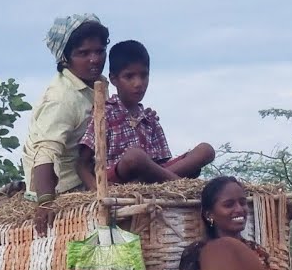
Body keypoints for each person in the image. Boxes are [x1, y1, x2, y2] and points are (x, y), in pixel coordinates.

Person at [76, 40, 215, 186]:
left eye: (144, 76)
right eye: (129, 77)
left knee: (206, 150)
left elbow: (162, 164)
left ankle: (149, 185)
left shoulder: (150, 119)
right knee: (135, 156)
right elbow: (82, 164)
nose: (138, 83)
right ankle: (181, 185)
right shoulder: (104, 113)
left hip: (153, 177)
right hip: (117, 180)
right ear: (113, 79)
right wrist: (96, 190)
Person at [21, 14, 110, 234]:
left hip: (92, 174)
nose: (95, 59)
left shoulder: (99, 84)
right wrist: (46, 202)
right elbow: (44, 154)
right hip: (66, 188)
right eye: (83, 53)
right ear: (65, 58)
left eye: (99, 51)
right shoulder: (62, 99)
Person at [178, 176, 269, 270]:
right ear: (209, 215)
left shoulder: (257, 252)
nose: (239, 209)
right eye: (229, 205)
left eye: (242, 203)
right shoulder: (196, 254)